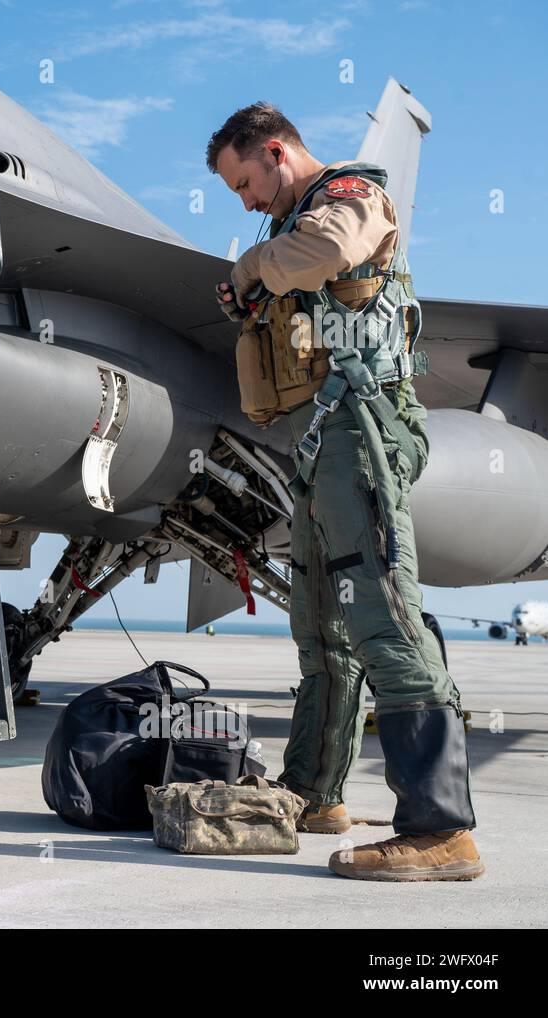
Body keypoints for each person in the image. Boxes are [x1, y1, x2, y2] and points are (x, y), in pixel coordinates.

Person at [206, 102, 483, 880]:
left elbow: (324, 251)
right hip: (321, 440)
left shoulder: (350, 196)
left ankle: (442, 831)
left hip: (362, 428)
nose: (247, 201)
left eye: (245, 182)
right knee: (319, 622)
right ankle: (313, 791)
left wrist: (251, 270)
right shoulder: (288, 227)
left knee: (384, 617)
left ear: (274, 150)